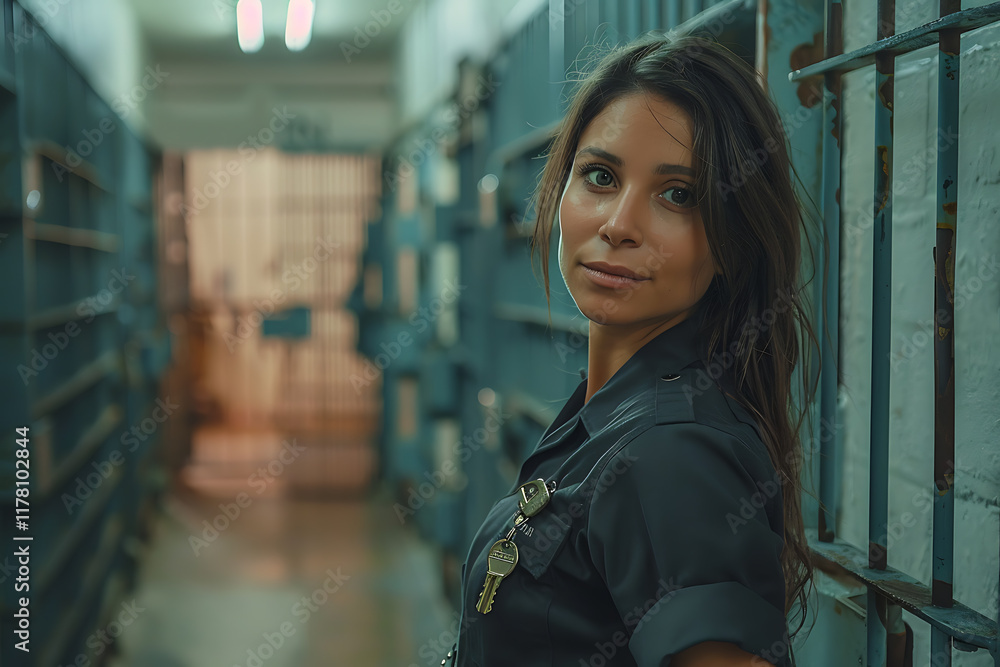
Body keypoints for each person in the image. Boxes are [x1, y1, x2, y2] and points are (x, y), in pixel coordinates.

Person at [447, 32, 822, 667]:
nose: (619, 224)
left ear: (735, 239)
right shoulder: (606, 419)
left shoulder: (672, 453)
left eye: (679, 194)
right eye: (600, 176)